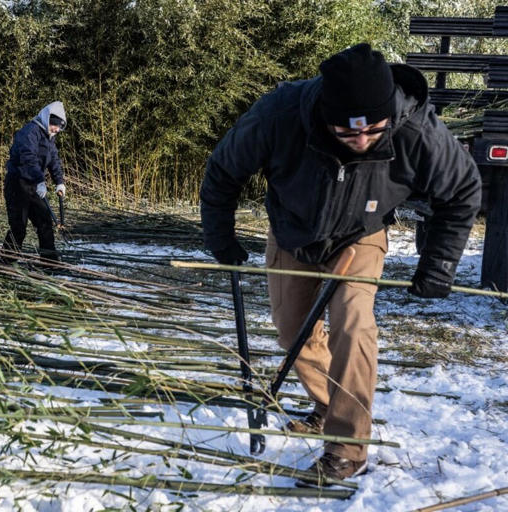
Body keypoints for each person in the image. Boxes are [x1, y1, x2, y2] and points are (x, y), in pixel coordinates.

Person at [200, 43, 481, 486]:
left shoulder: (418, 130)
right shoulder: (280, 114)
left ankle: (348, 448)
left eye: (373, 130)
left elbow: (463, 191)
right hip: (293, 231)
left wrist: (439, 264)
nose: (363, 140)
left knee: (353, 323)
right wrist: (221, 238)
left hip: (361, 234)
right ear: (325, 115)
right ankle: (328, 405)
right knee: (293, 330)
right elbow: (223, 170)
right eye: (348, 133)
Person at [2, 101, 67, 264]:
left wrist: (59, 181)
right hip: (18, 184)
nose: (57, 129)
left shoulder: (49, 137)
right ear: (47, 119)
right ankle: (6, 261)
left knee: (44, 222)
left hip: (34, 185)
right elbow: (28, 159)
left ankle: (50, 263)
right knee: (19, 226)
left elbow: (54, 160)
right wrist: (40, 181)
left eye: (60, 127)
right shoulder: (30, 132)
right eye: (55, 125)